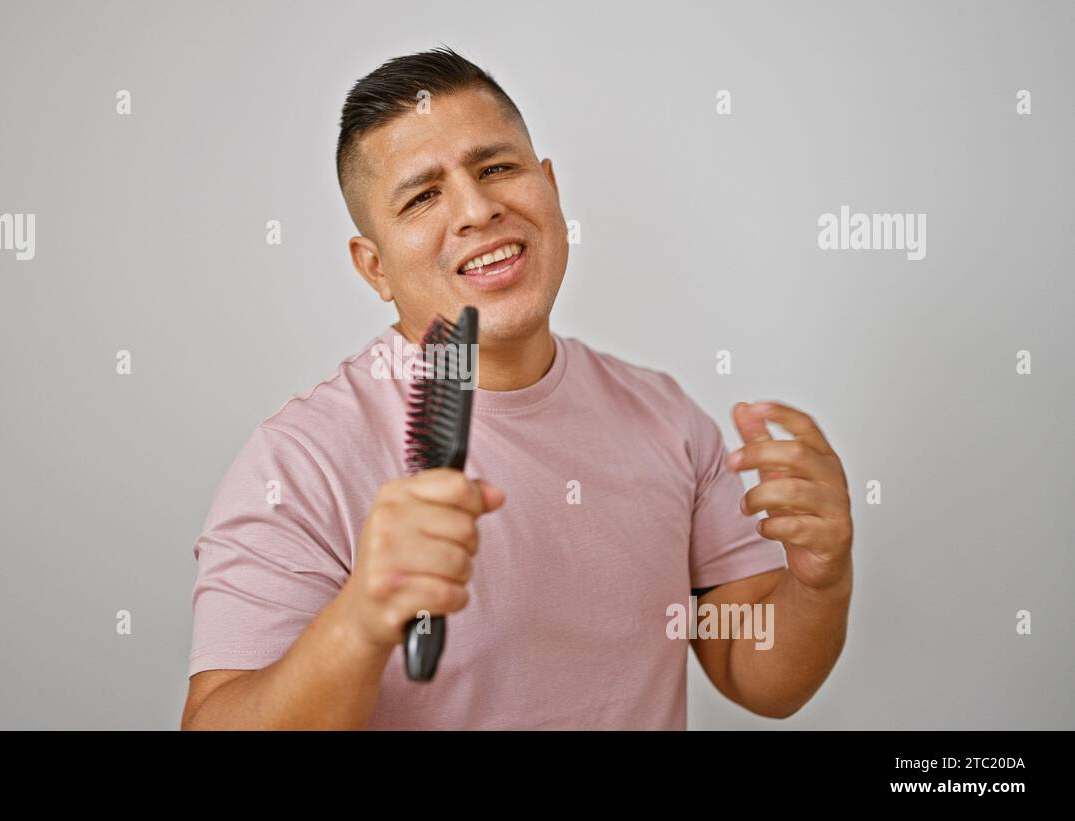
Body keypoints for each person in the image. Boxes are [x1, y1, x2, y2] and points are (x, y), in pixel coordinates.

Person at [180, 46, 854, 730]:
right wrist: (360, 617)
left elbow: (757, 671)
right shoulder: (295, 463)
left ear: (551, 188)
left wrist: (821, 578)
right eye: (422, 196)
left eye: (496, 167)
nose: (476, 210)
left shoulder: (667, 417)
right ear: (375, 267)